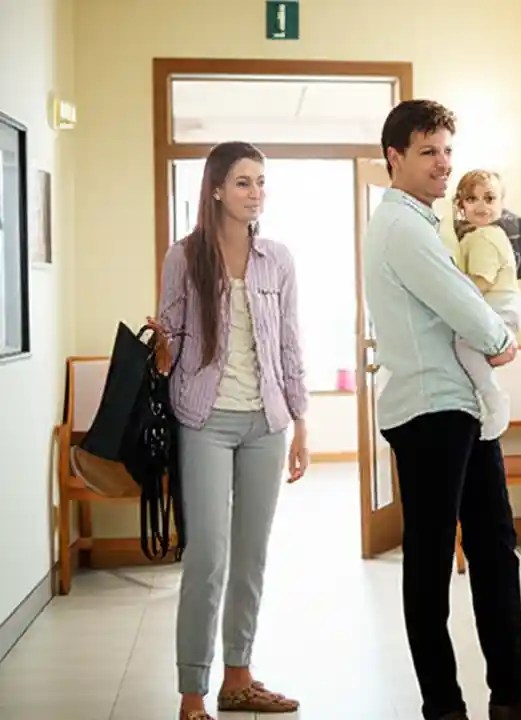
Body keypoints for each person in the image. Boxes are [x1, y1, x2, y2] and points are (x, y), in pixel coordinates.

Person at [362, 99, 521, 720]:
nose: (442, 166)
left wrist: (489, 335)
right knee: (432, 559)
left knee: (494, 546)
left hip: (459, 408)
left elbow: (459, 295)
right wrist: (501, 340)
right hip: (430, 410)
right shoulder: (401, 228)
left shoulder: (422, 223)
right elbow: (459, 301)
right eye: (427, 153)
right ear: (395, 158)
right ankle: (443, 705)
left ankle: (514, 694)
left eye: (446, 152)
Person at [152, 141, 310, 720]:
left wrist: (300, 423)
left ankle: (238, 678)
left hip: (266, 421)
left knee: (251, 555)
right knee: (208, 557)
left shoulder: (278, 258)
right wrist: (163, 344)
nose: (255, 193)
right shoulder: (184, 257)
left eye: (261, 182)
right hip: (205, 420)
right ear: (216, 188)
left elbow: (290, 342)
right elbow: (170, 339)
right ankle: (193, 690)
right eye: (244, 182)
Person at [452, 169, 521, 440]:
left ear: (501, 203)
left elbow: (480, 284)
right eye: (472, 199)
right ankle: (487, 401)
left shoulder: (484, 236)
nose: (482, 206)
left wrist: (453, 296)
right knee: (473, 350)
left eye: (490, 198)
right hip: (504, 305)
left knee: (462, 343)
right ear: (461, 204)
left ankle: (493, 399)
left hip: (498, 305)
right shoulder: (480, 235)